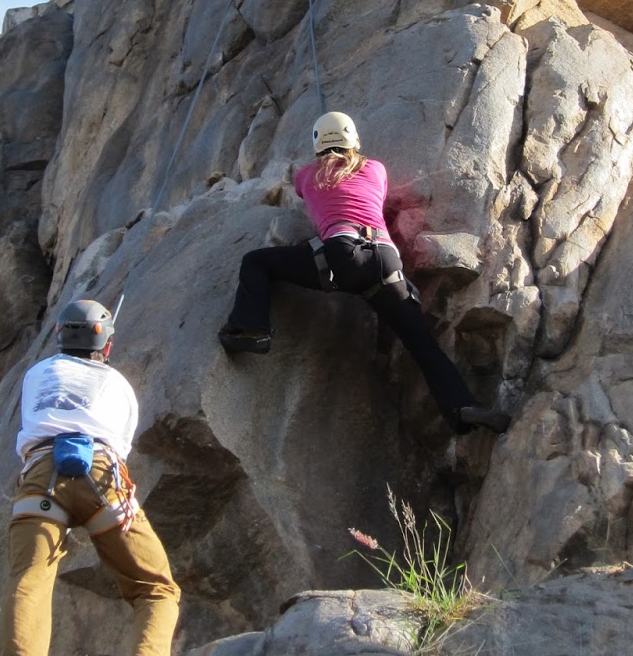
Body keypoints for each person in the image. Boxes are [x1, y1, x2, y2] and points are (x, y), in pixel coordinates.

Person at [218, 111, 508, 436]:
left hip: (342, 254)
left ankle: (250, 331)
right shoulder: (375, 169)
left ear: (318, 145)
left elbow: (300, 190)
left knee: (257, 262)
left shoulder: (308, 175)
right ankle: (462, 407)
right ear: (353, 139)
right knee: (424, 347)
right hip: (387, 261)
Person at [0, 298, 180, 656]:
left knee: (29, 578)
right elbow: (122, 445)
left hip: (41, 474)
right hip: (102, 475)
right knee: (156, 586)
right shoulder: (119, 384)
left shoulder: (37, 374)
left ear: (58, 336)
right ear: (108, 347)